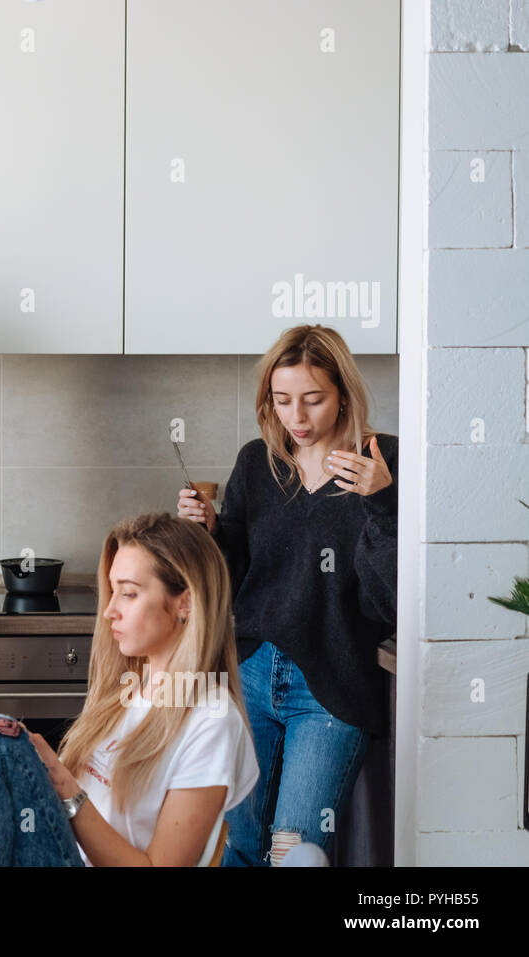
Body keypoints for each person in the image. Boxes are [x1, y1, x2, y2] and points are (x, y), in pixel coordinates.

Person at [176, 324, 397, 867]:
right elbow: (232, 576)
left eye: (313, 400)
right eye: (282, 401)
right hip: (250, 672)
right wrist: (207, 531)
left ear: (343, 394)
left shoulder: (382, 462)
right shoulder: (258, 462)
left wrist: (383, 504)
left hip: (333, 686)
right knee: (242, 846)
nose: (296, 418)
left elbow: (393, 601)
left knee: (293, 851)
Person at [0, 513, 258, 866]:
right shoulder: (126, 690)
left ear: (184, 603)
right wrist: (27, 758)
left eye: (128, 593)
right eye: (112, 592)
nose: (110, 610)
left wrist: (66, 786)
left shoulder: (212, 721)